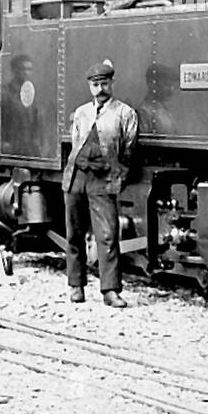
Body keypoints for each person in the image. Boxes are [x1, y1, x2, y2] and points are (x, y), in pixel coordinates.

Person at [64, 60, 139, 308]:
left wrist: (118, 177)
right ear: (89, 86)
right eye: (95, 85)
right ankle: (76, 286)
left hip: (103, 178)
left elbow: (128, 151)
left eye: (104, 84)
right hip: (77, 177)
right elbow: (75, 143)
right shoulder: (81, 112)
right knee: (74, 233)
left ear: (112, 83)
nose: (100, 89)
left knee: (107, 235)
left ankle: (110, 290)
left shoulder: (125, 113)